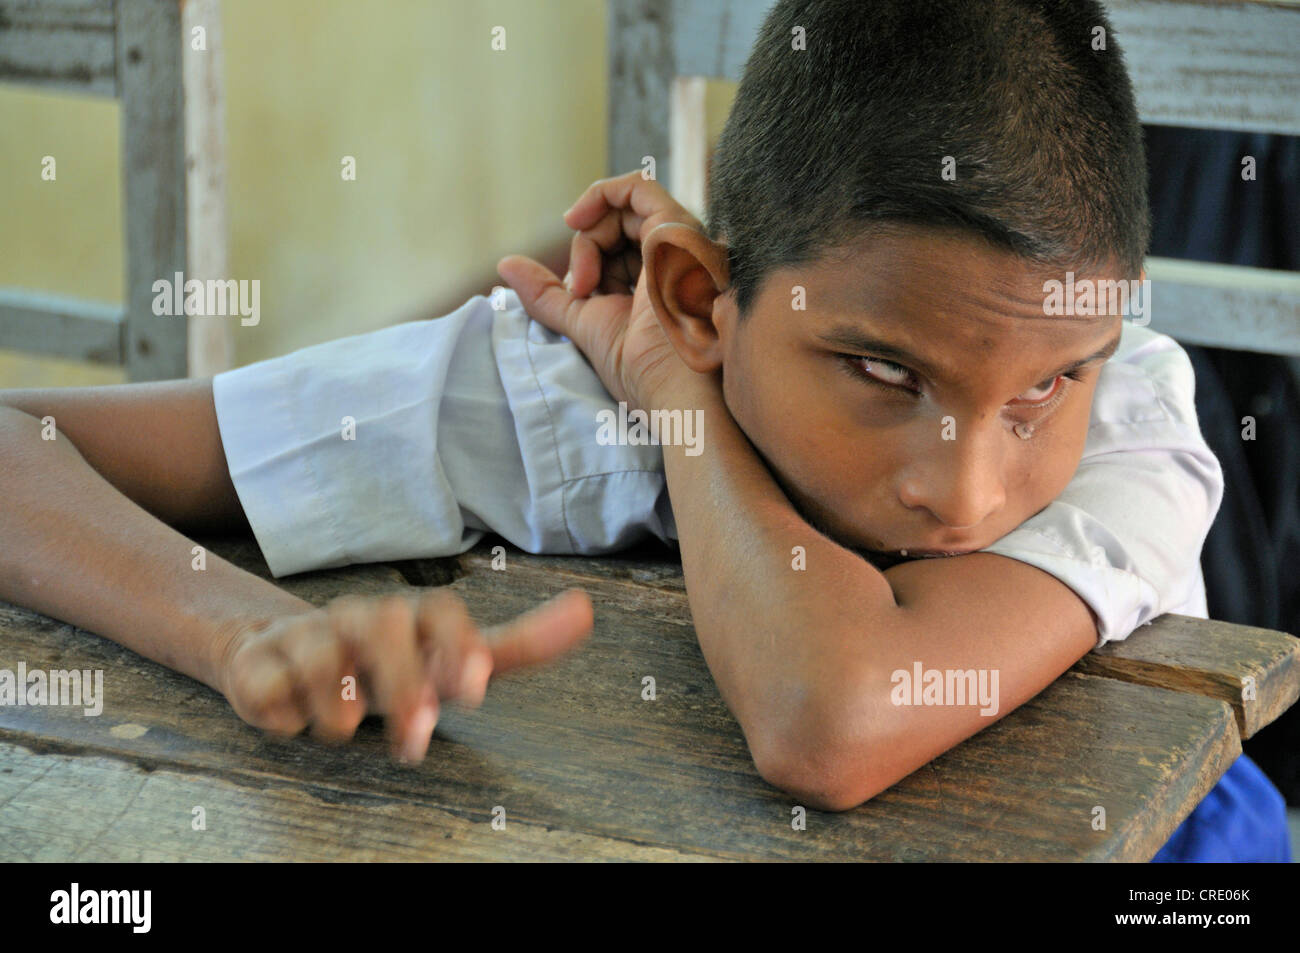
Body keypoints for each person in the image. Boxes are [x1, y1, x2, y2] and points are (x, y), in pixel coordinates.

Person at [0, 0, 1288, 859]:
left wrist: (682, 398)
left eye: (1039, 392)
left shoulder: (1131, 426)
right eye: (883, 373)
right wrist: (246, 629)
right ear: (697, 297)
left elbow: (826, 718)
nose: (963, 489)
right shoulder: (557, 406)